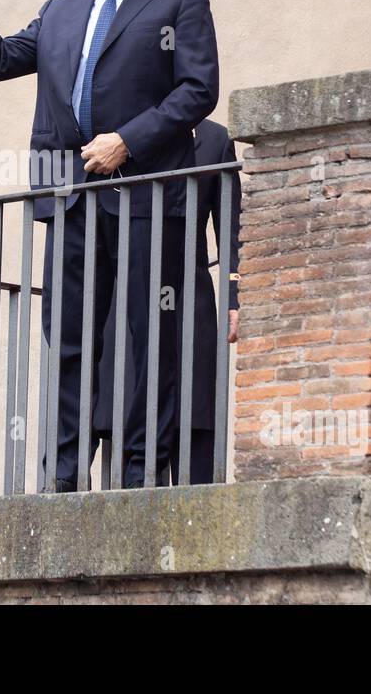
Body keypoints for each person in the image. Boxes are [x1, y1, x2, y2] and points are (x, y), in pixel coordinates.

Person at [0, 0, 220, 490]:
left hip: (148, 196)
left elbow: (198, 90)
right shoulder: (62, 9)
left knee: (153, 341)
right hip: (71, 201)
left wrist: (129, 140)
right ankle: (62, 476)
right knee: (69, 340)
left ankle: (142, 472)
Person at [91, 119, 240, 485]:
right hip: (125, 304)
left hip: (191, 301)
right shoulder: (112, 137)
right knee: (129, 440)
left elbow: (233, 230)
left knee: (196, 430)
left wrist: (237, 296)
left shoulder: (214, 139)